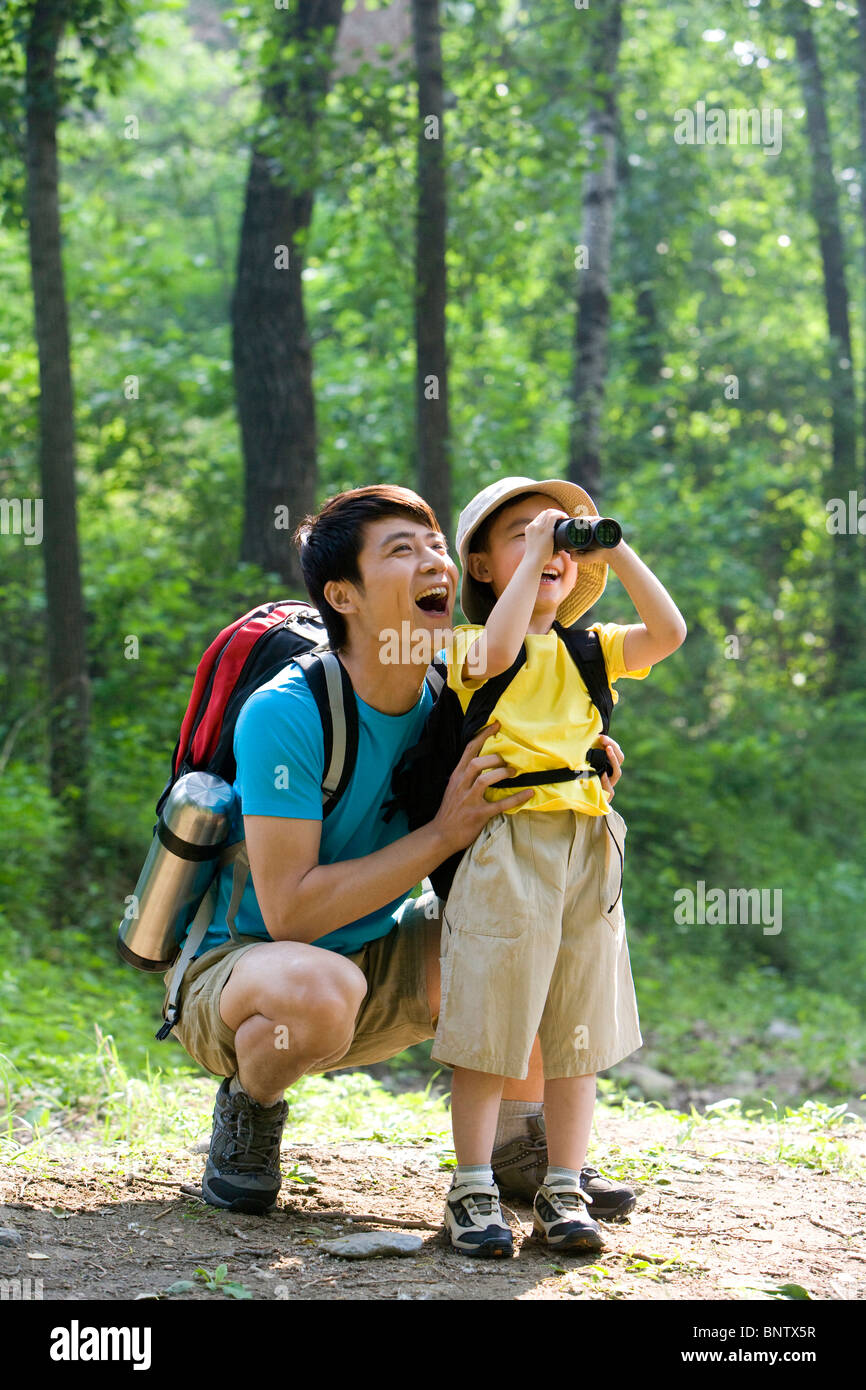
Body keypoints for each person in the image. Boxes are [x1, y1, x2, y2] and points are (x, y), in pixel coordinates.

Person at [161, 484, 628, 1216]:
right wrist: (442, 832)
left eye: (437, 546)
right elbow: (291, 916)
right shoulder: (289, 711)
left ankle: (520, 1141)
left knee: (533, 935)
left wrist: (578, 757)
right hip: (248, 971)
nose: (433, 564)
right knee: (318, 988)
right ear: (342, 595)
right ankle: (251, 1104)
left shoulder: (460, 681)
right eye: (402, 551)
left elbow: (538, 751)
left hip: (381, 951)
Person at [433, 477, 687, 1257]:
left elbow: (669, 631)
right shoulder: (462, 647)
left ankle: (564, 1186)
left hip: (586, 843)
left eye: (554, 540)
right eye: (519, 534)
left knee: (580, 1024)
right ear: (480, 565)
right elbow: (499, 650)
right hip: (506, 842)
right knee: (490, 1018)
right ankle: (472, 1187)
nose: (545, 547)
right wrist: (539, 551)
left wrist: (612, 546)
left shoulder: (593, 648)